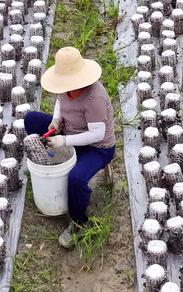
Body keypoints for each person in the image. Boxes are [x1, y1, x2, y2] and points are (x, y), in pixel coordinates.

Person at [24, 47, 117, 249]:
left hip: (96, 147)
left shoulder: (94, 97)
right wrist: (56, 120)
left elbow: (97, 134)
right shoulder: (65, 87)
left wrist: (63, 142)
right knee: (31, 119)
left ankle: (78, 223)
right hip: (70, 131)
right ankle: (47, 162)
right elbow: (60, 101)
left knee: (76, 178)